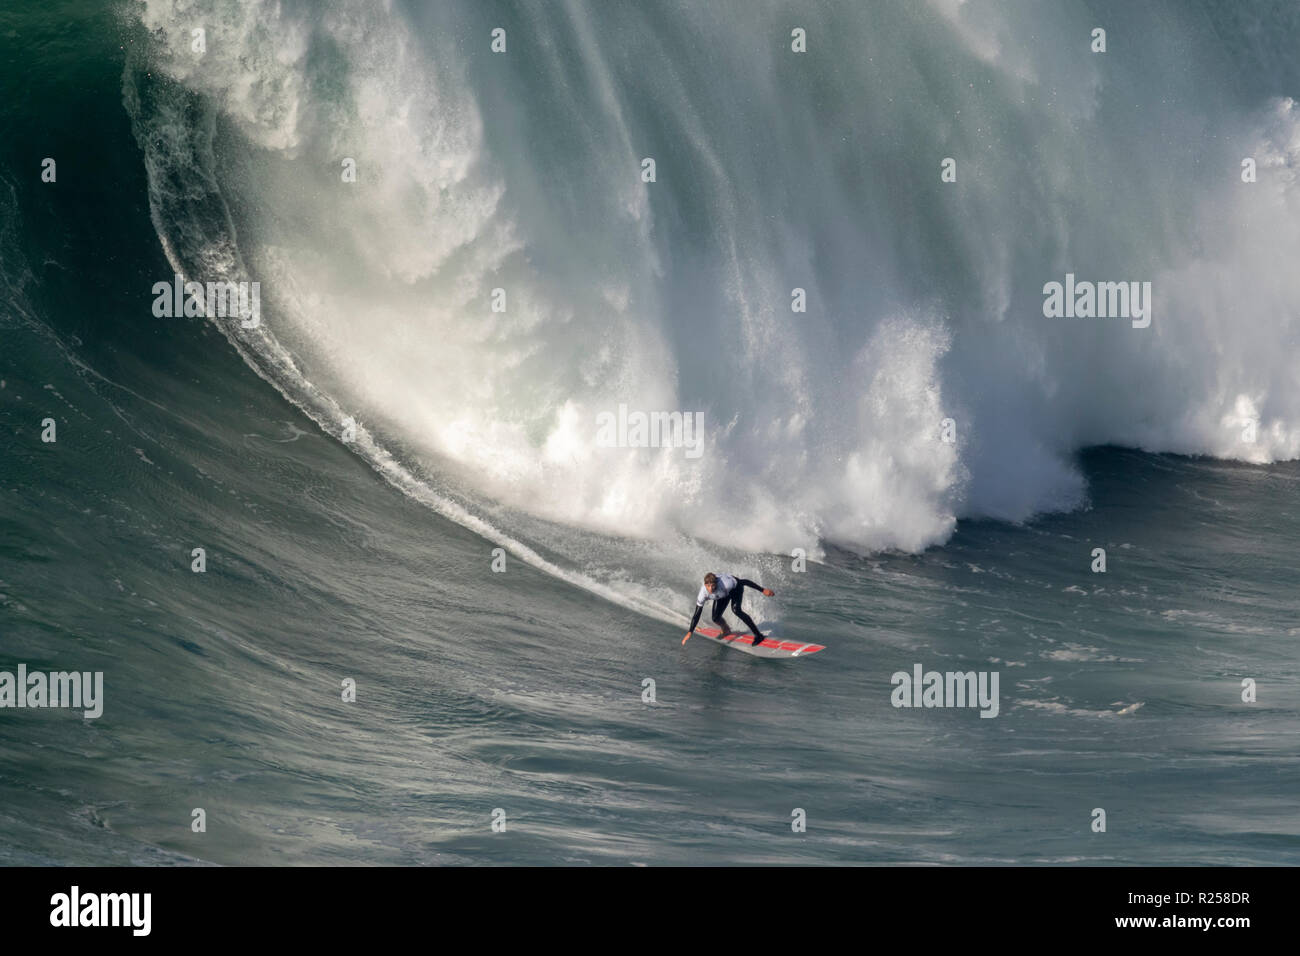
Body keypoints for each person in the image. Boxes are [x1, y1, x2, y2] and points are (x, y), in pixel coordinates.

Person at [682, 572, 775, 646]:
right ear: (705, 585)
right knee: (715, 618)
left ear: (716, 583)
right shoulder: (703, 593)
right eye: (708, 586)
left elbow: (744, 582)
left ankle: (759, 636)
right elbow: (697, 613)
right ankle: (726, 629)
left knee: (736, 610)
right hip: (722, 595)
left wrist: (762, 590)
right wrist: (690, 631)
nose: (711, 589)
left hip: (735, 589)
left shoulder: (726, 584)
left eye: (713, 586)